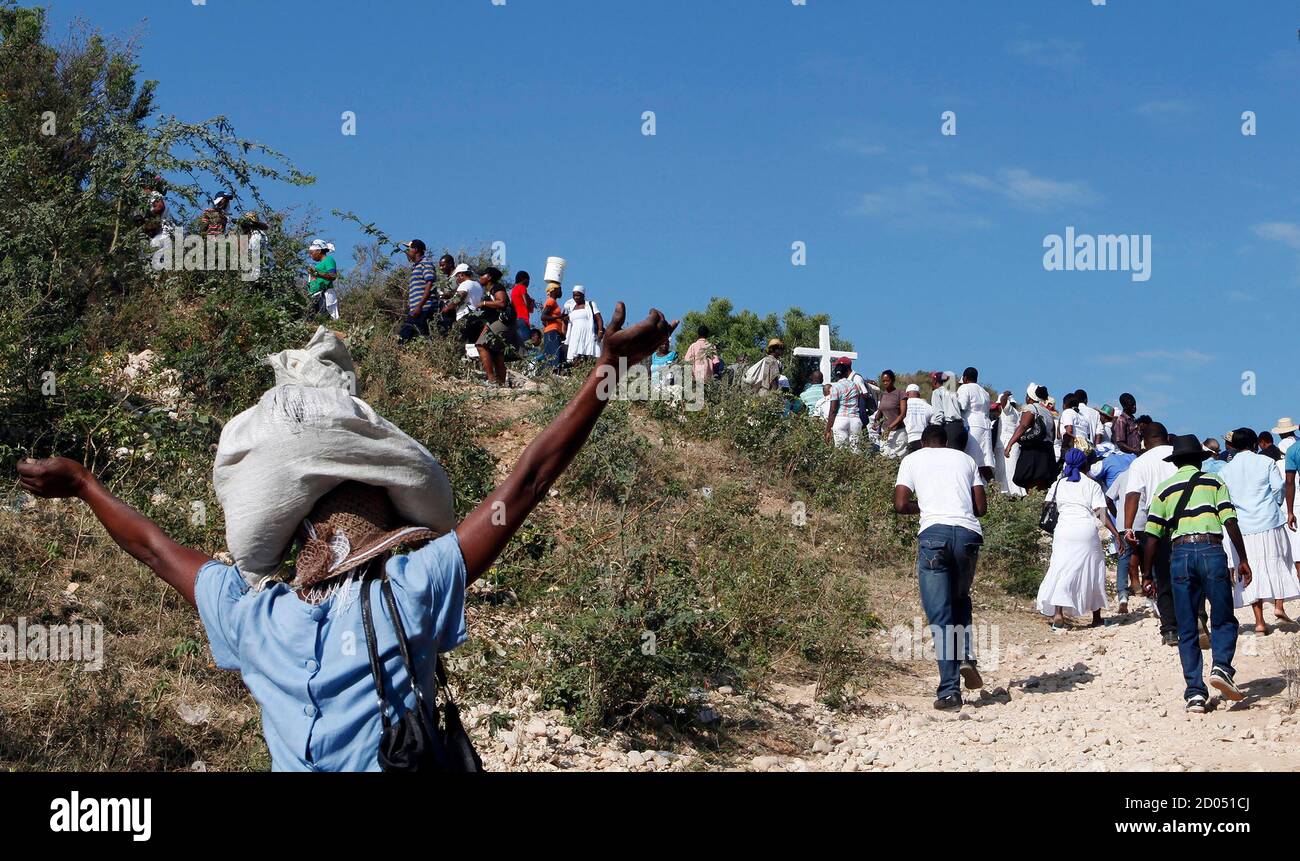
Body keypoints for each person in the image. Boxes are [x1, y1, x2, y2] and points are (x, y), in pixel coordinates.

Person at [15, 304, 678, 771]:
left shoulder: (257, 619)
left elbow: (155, 547)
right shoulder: (411, 591)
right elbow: (527, 483)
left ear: (298, 534)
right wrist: (605, 373)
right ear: (390, 526)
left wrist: (82, 483)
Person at [1142, 434, 1253, 713]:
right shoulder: (1214, 482)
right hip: (1211, 550)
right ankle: (1221, 667)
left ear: (1177, 461)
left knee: (1187, 624)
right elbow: (1229, 520)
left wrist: (1146, 574)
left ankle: (1194, 693)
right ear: (1200, 460)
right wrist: (1243, 558)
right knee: (1223, 616)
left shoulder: (1165, 489)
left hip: (1180, 555)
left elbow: (1152, 535)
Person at [893, 424, 988, 711]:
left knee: (940, 615)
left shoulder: (911, 460)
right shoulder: (966, 460)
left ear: (923, 443)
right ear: (946, 443)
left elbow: (900, 504)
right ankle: (967, 655)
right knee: (960, 599)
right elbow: (981, 508)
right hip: (968, 535)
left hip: (934, 536)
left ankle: (949, 692)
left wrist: (925, 508)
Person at [1221, 428, 1299, 633]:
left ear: (1234, 446)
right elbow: (1278, 487)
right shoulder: (1266, 462)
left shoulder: (1226, 470)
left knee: (1250, 568)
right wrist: (1273, 505)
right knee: (1278, 561)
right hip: (1269, 521)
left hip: (1242, 526)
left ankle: (1259, 622)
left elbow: (1225, 497)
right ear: (1255, 444)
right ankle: (1279, 607)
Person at [1037, 449, 1119, 630]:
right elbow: (1100, 512)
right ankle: (1096, 617)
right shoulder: (1092, 485)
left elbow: (1047, 505)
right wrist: (1116, 533)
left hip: (1064, 531)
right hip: (1085, 531)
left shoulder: (1058, 484)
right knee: (1093, 570)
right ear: (1085, 464)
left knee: (1061, 568)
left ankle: (1058, 615)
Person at [1123, 422, 1180, 646]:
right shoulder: (1179, 453)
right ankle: (1198, 618)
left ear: (1144, 441)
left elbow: (1133, 496)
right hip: (1186, 522)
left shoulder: (1140, 462)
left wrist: (1128, 527)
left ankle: (1170, 629)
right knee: (1190, 575)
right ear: (1166, 436)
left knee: (1162, 577)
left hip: (1157, 525)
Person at [1091, 442, 1137, 612]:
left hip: (1123, 515)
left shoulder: (1107, 465)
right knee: (1147, 555)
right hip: (1144, 516)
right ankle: (1149, 592)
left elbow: (1106, 501)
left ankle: (1123, 595)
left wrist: (1116, 517)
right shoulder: (1132, 458)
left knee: (1124, 556)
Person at [1004, 384, 1056, 491]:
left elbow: (1023, 426)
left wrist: (1010, 444)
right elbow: (1053, 435)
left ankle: (1031, 505)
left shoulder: (1031, 408)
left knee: (1030, 482)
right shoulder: (1048, 412)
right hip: (1048, 451)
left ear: (1029, 397)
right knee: (1042, 485)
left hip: (1034, 451)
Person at [474, 267, 516, 386]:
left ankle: (492, 380)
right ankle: (501, 383)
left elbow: (502, 302)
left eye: (482, 274)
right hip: (501, 323)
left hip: (503, 322)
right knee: (498, 352)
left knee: (481, 345)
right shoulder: (489, 291)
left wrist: (484, 303)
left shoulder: (496, 287)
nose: (480, 277)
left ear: (489, 277)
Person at [957, 367, 994, 480]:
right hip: (986, 426)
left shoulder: (965, 388)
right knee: (984, 461)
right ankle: (993, 487)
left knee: (969, 459)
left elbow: (962, 406)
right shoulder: (985, 392)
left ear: (965, 378)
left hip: (972, 425)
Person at [399, 240, 439, 342]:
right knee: (423, 335)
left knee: (404, 335)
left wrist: (419, 306)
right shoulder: (416, 266)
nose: (407, 252)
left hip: (424, 309)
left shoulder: (425, 264)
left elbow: (429, 284)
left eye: (409, 249)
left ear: (416, 250)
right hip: (419, 309)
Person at [823, 360, 862, 450]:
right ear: (846, 373)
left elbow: (833, 409)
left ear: (836, 374)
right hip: (855, 419)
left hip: (841, 419)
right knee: (855, 449)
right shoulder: (855, 385)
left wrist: (828, 429)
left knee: (841, 450)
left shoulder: (835, 387)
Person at [993, 391, 1026, 496]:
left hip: (1007, 445)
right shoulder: (1016, 413)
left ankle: (1012, 494)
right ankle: (1010, 493)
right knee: (1005, 471)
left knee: (1007, 471)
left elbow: (1003, 401)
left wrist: (1005, 395)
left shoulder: (1009, 411)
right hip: (1009, 445)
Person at [562, 286, 603, 363]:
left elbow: (599, 318)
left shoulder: (590, 304)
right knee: (575, 358)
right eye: (574, 295)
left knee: (589, 355)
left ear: (583, 295)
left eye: (578, 295)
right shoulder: (571, 308)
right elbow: (567, 322)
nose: (576, 297)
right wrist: (564, 319)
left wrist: (600, 331)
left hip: (588, 335)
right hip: (575, 336)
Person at [442, 264, 484, 340]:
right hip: (478, 317)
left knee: (464, 343)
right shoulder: (478, 285)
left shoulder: (464, 284)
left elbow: (459, 297)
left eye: (457, 276)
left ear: (461, 274)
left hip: (465, 317)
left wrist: (447, 308)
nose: (457, 279)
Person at [929, 371, 965, 451]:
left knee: (950, 457)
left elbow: (939, 415)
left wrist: (934, 431)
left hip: (950, 428)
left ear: (935, 381)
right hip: (961, 428)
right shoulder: (953, 393)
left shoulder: (937, 392)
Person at [876, 369, 908, 458]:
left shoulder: (900, 393)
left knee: (899, 458)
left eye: (887, 380)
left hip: (898, 432)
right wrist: (876, 422)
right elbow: (880, 411)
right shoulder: (883, 394)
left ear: (893, 380)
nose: (885, 383)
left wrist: (890, 427)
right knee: (885, 457)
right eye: (883, 381)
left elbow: (903, 414)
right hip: (885, 432)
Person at [306, 239, 339, 320]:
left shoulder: (328, 260)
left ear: (318, 251)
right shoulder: (319, 265)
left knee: (324, 317)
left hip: (324, 294)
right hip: (315, 295)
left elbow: (333, 275)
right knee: (310, 319)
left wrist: (317, 273)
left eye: (312, 252)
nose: (311, 255)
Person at [902, 384, 934, 454]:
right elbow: (934, 424)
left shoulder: (902, 406)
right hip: (924, 441)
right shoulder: (928, 406)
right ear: (918, 394)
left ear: (907, 394)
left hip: (907, 440)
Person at [540, 284, 566, 367]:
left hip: (552, 331)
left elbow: (544, 321)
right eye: (560, 289)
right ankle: (553, 371)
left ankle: (552, 371)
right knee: (554, 354)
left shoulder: (552, 301)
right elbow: (543, 317)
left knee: (553, 353)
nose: (561, 292)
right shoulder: (551, 301)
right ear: (554, 290)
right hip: (552, 332)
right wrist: (559, 317)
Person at [510, 271, 536, 346]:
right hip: (523, 320)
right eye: (528, 281)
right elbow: (527, 305)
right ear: (525, 280)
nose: (528, 283)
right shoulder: (522, 288)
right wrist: (530, 302)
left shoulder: (513, 290)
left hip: (516, 320)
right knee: (525, 344)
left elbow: (512, 305)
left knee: (517, 344)